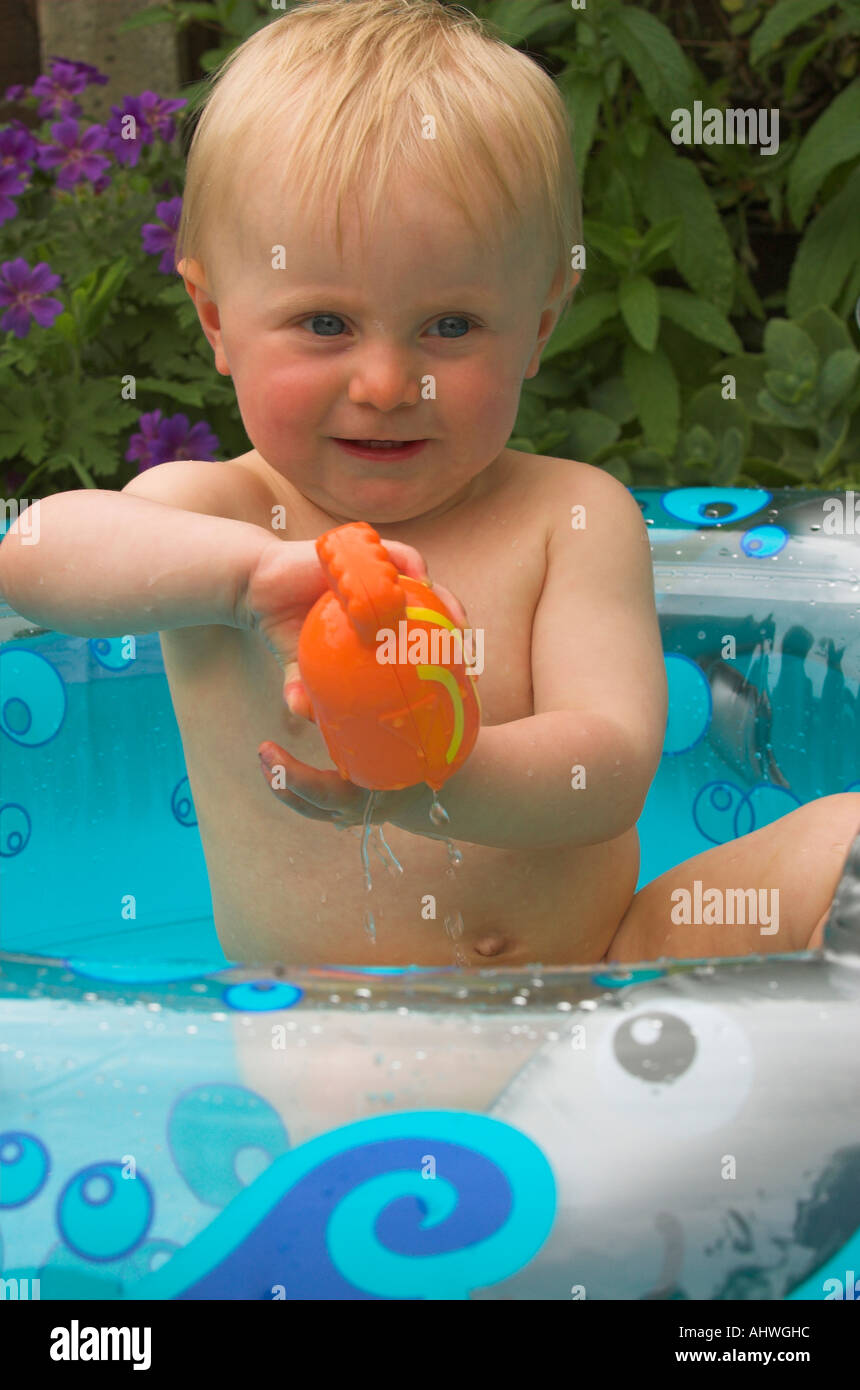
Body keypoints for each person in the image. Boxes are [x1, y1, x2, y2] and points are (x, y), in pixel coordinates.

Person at [2, 0, 857, 968]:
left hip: (603, 994)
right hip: (333, 1043)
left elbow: (606, 772)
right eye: (323, 324)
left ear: (536, 327)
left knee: (841, 842)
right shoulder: (215, 524)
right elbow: (33, 556)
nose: (385, 384)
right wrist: (247, 582)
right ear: (214, 319)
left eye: (449, 327)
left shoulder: (566, 521)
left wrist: (431, 780)